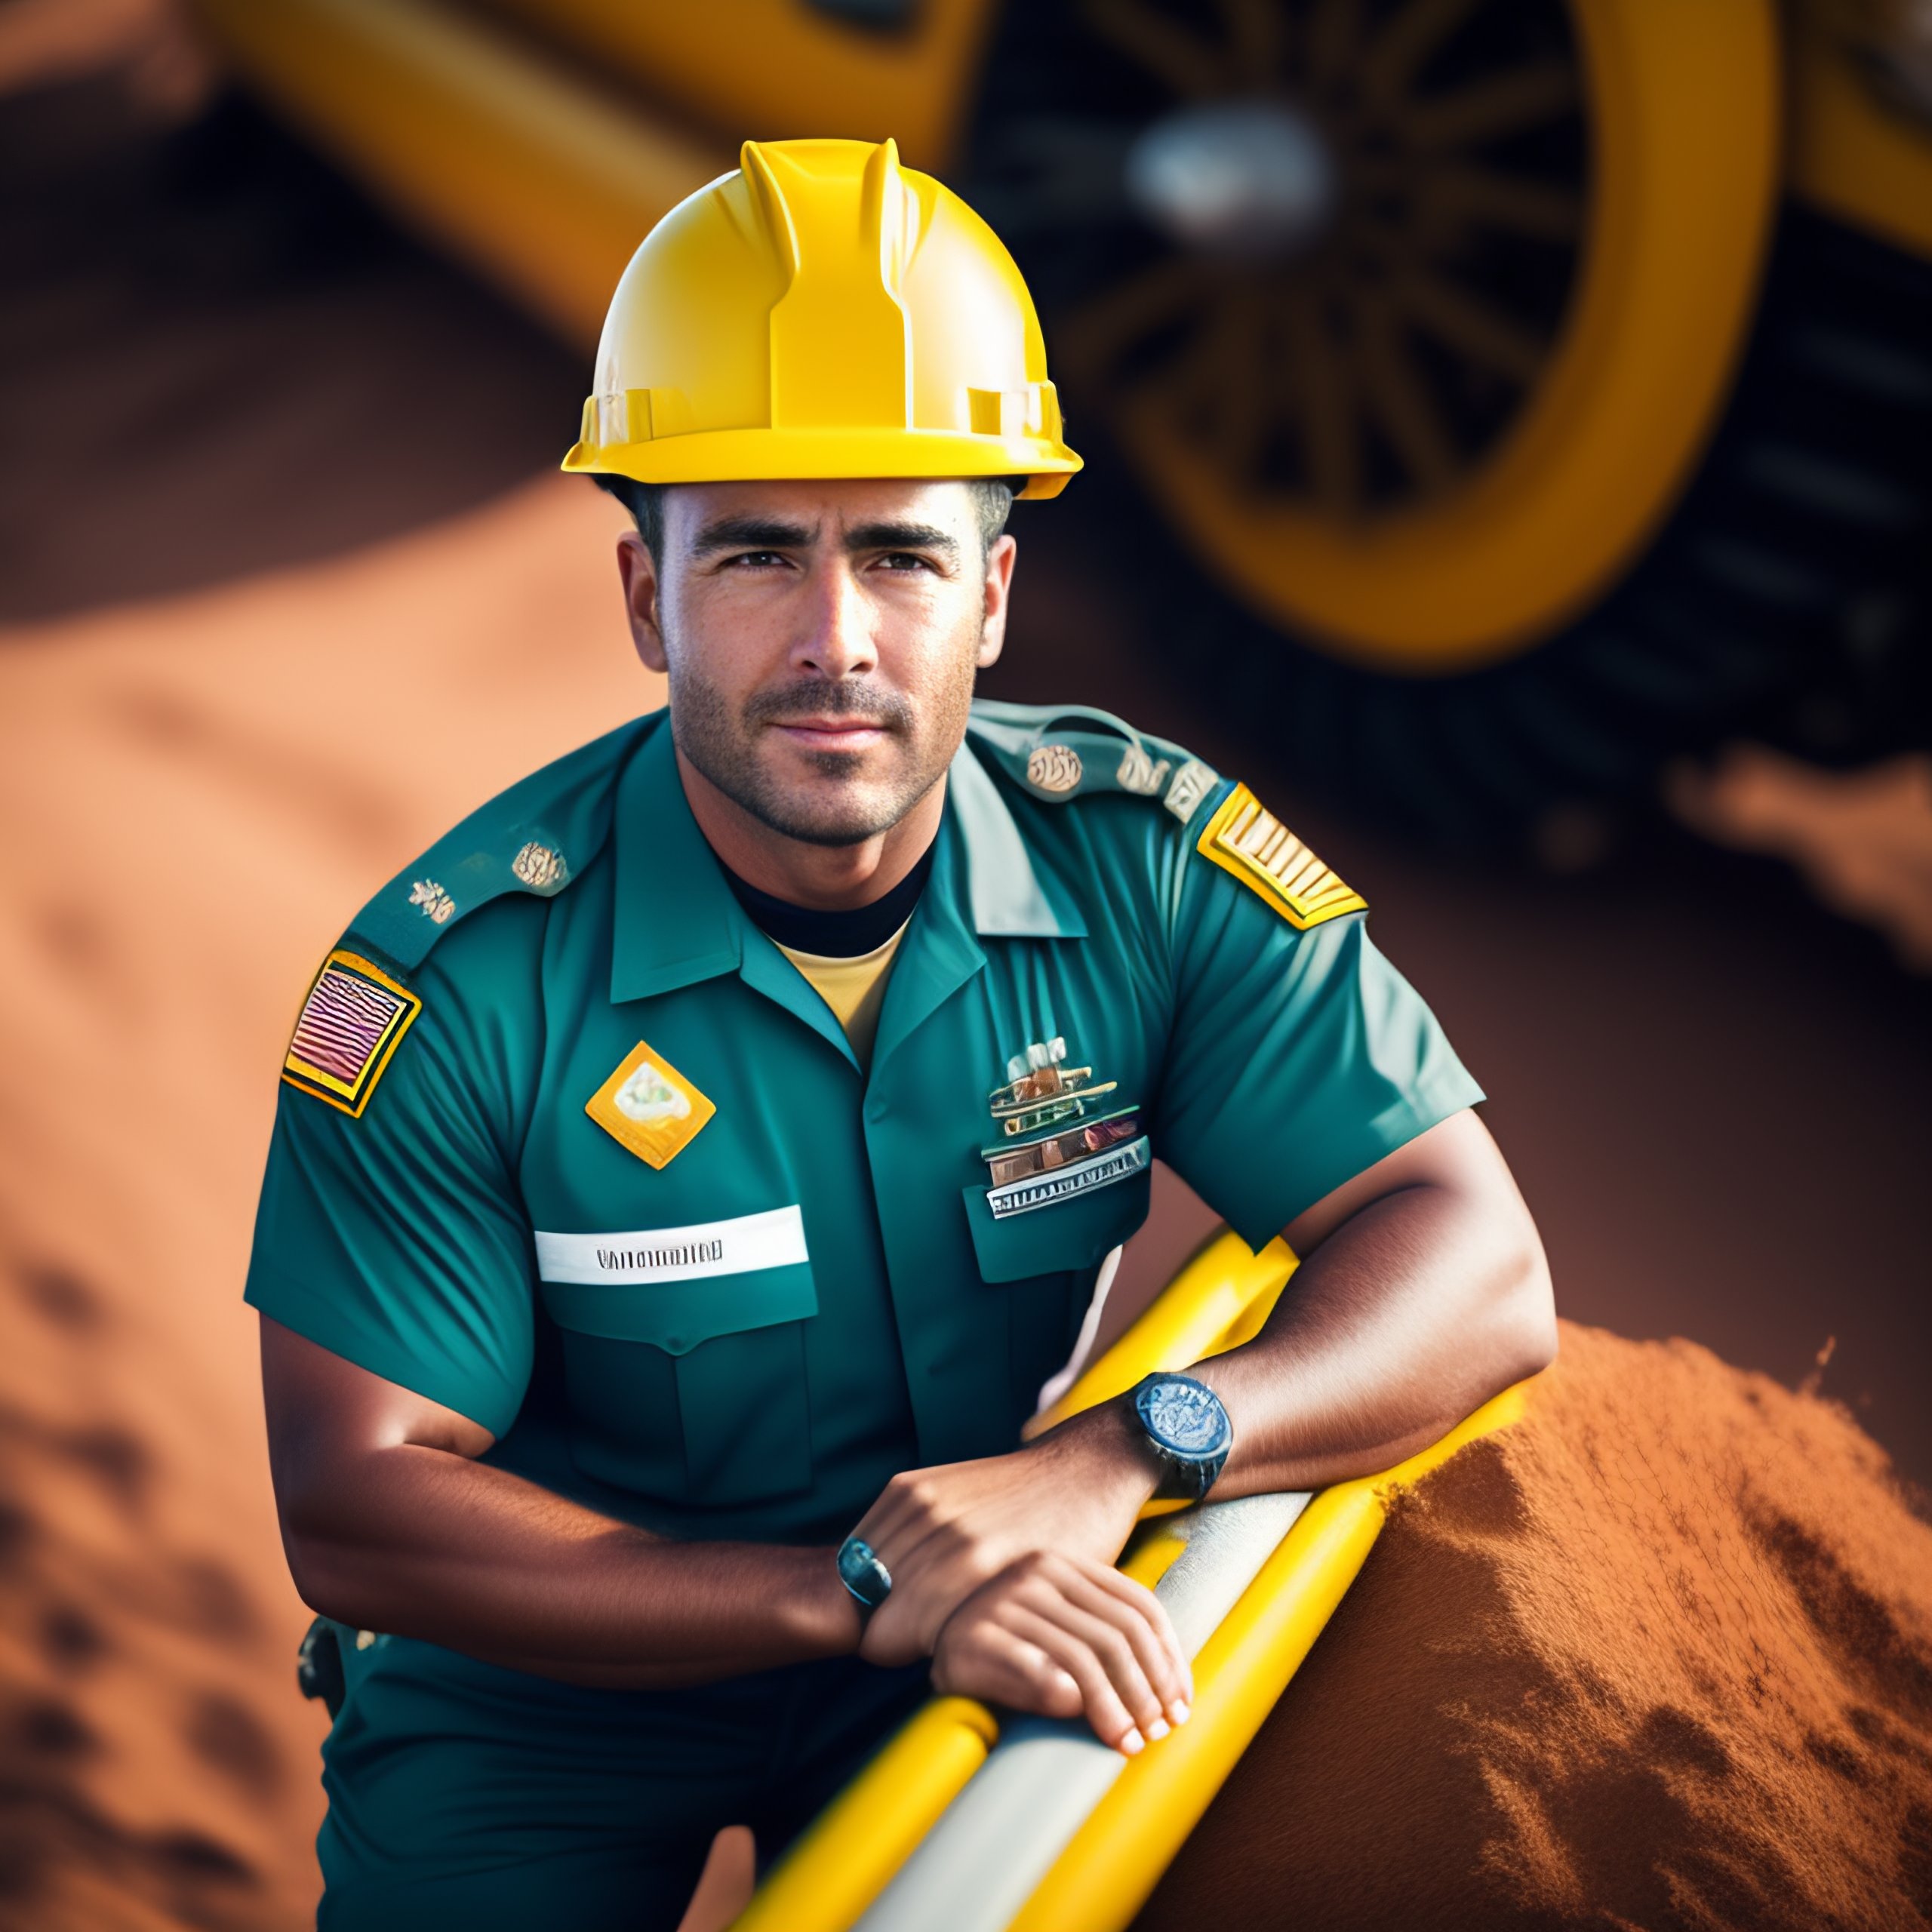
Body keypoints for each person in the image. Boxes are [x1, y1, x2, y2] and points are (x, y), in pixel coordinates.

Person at [249, 137, 1555, 1930]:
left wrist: (1117, 1453)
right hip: (537, 1693)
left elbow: (1474, 1258)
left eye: (902, 555)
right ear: (647, 599)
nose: (834, 638)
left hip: (977, 1617)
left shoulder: (1148, 865)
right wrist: (853, 1583)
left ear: (993, 597)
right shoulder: (453, 984)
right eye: (760, 556)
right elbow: (360, 1504)